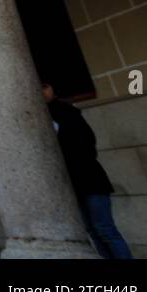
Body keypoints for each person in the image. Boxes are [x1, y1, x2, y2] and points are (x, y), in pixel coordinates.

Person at [42, 80, 133, 259]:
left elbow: (87, 143)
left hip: (90, 179)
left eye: (44, 86)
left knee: (104, 228)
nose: (41, 91)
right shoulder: (44, 114)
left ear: (53, 89)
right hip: (72, 184)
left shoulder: (67, 111)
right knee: (92, 230)